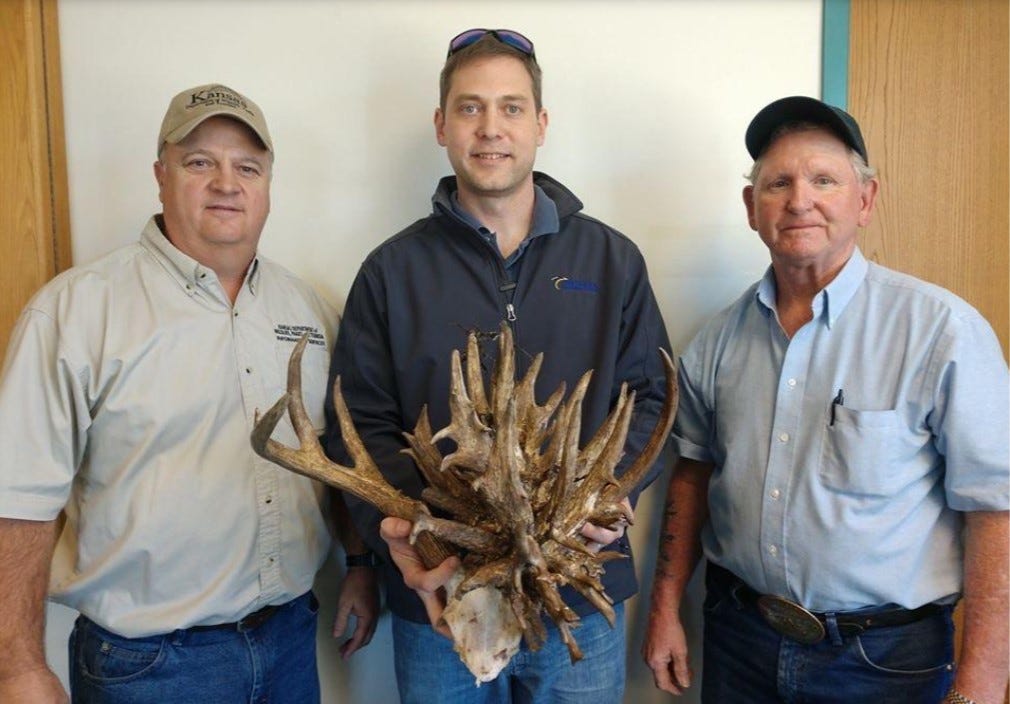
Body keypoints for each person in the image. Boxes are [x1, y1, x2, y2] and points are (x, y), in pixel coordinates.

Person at [0, 83, 379, 704]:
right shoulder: (75, 312)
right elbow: (17, 502)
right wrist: (17, 668)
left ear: (267, 186)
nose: (226, 183)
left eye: (246, 167)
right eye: (200, 161)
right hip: (150, 668)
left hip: (289, 642)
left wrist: (360, 568)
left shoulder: (309, 310)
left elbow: (338, 460)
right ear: (160, 175)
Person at [324, 29, 672, 703]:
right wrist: (419, 535)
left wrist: (606, 490)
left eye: (511, 108)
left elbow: (652, 397)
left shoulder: (611, 260)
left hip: (579, 587)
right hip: (442, 597)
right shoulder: (391, 272)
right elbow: (358, 423)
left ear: (541, 125)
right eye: (470, 107)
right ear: (441, 125)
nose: (491, 129)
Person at [642, 95, 1009, 703]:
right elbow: (692, 477)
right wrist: (664, 609)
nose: (799, 200)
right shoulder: (715, 344)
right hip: (739, 641)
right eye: (777, 183)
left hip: (885, 663)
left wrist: (982, 685)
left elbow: (994, 509)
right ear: (751, 209)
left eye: (823, 180)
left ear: (865, 201)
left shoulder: (941, 332)